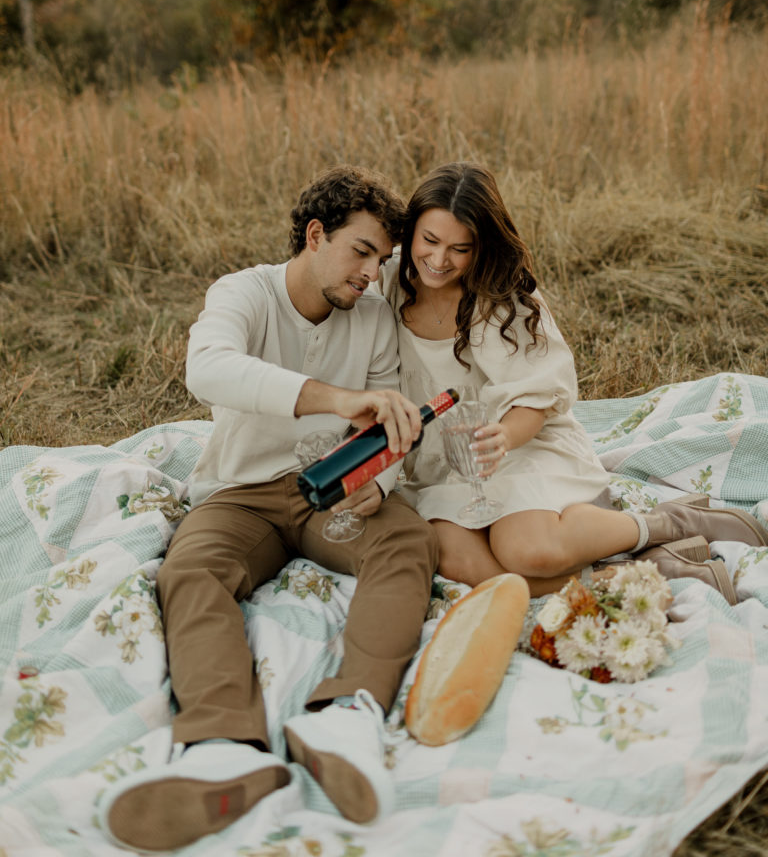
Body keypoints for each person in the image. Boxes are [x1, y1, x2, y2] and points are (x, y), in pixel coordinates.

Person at [99, 165, 439, 853]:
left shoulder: (374, 316)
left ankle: (347, 715)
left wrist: (380, 476)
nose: (371, 274)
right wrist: (335, 399)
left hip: (329, 490)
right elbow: (209, 369)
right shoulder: (244, 293)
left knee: (407, 541)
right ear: (315, 236)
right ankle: (224, 747)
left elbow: (387, 421)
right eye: (361, 252)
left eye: (381, 259)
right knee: (190, 571)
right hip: (239, 495)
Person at [378, 161, 767, 602]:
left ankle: (671, 522)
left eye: (459, 248)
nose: (438, 260)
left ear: (481, 247)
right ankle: (642, 571)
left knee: (529, 552)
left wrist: (502, 438)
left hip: (519, 445)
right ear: (411, 231)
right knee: (460, 563)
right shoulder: (387, 283)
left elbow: (535, 401)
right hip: (441, 465)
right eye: (429, 241)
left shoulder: (500, 296)